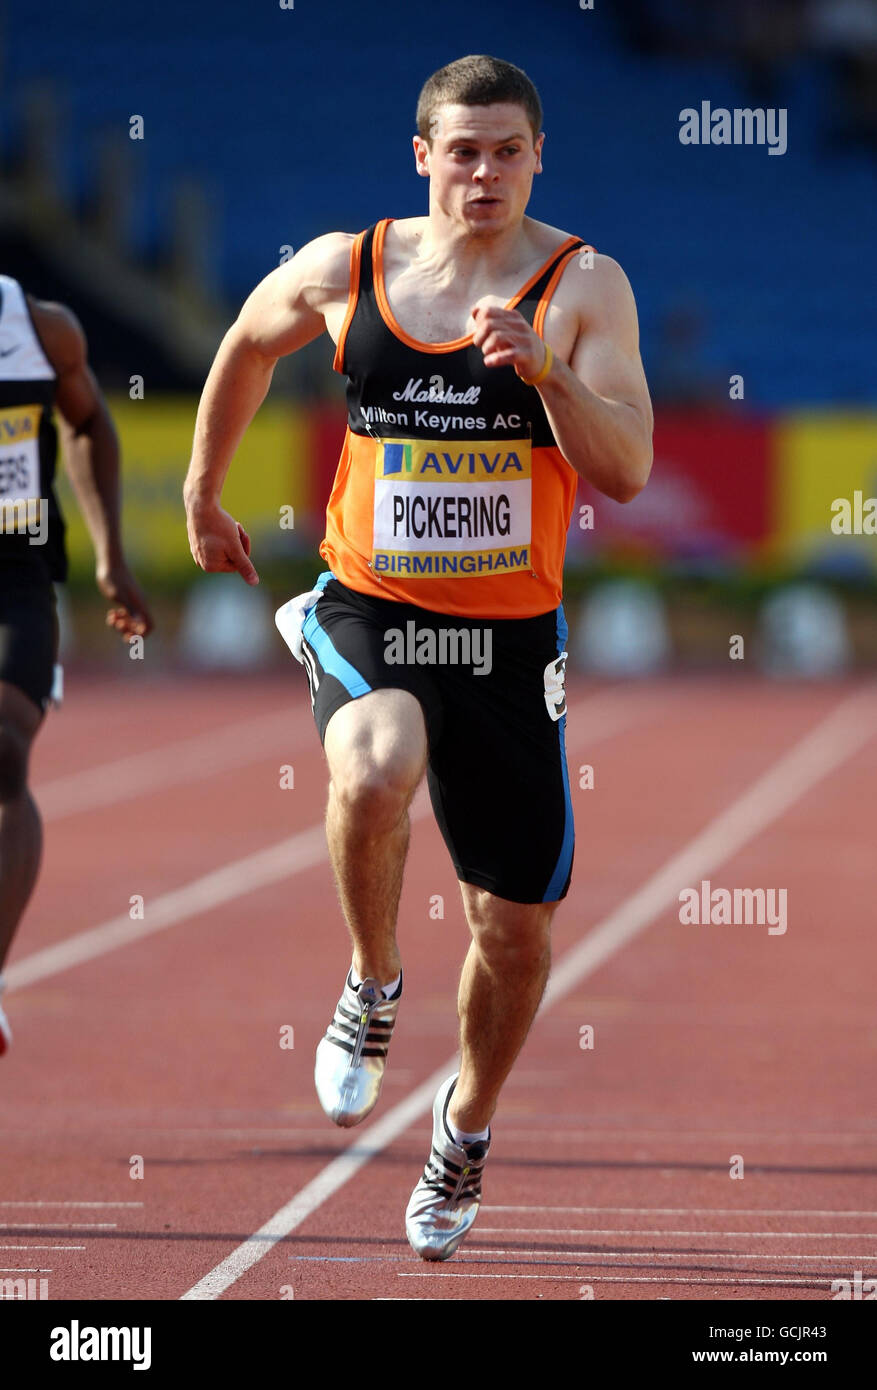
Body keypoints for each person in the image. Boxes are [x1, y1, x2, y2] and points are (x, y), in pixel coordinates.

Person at [184, 54, 653, 1261]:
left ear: (537, 155)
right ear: (422, 157)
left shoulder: (583, 284)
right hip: (373, 604)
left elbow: (627, 469)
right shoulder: (355, 264)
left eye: (505, 150)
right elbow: (245, 339)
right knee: (375, 765)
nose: (483, 172)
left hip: (506, 643)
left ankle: (465, 1127)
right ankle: (373, 980)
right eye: (462, 149)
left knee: (514, 931)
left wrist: (547, 374)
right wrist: (201, 492)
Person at [0, 277, 153, 1051]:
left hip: (13, 576)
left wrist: (111, 559)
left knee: (4, 752)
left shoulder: (40, 327)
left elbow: (88, 420)